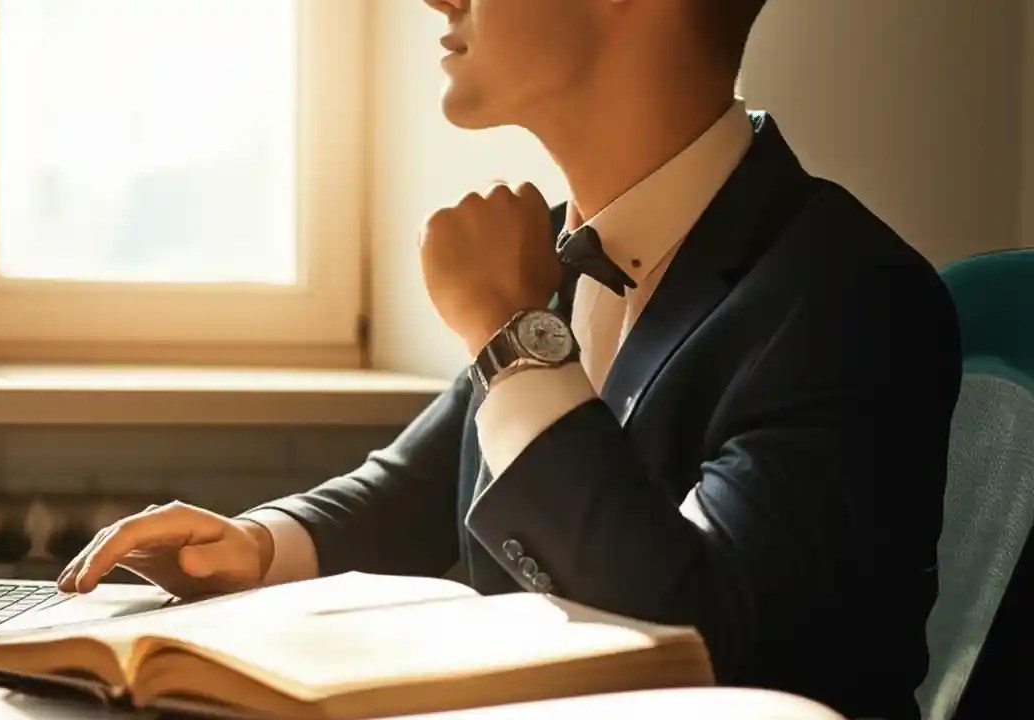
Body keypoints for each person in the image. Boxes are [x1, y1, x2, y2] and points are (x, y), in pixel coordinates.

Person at [57, 1, 962, 717]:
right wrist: (255, 549)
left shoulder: (848, 295)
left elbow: (705, 637)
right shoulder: (558, 257)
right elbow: (415, 490)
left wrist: (507, 330)